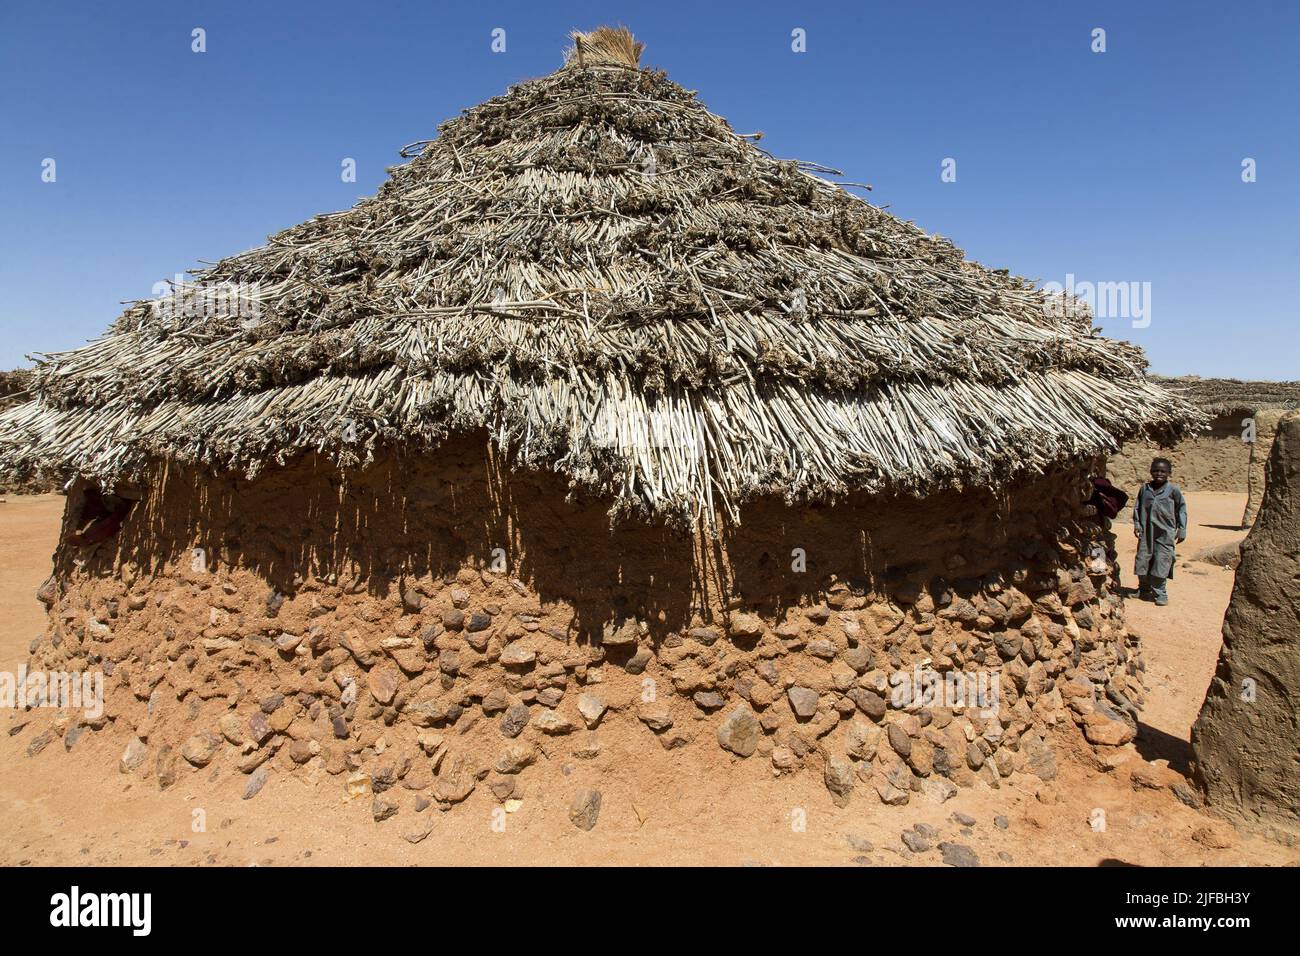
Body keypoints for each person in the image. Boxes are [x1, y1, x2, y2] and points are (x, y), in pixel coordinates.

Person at [1132, 457, 1187, 605]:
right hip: (1146, 532)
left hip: (1165, 532)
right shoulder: (1145, 489)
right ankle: (1143, 589)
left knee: (1162, 561)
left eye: (1163, 471)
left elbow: (1181, 509)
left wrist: (1182, 529)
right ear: (1150, 471)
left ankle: (1160, 593)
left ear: (1169, 473)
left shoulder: (1173, 490)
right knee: (1143, 559)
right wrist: (1137, 524)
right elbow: (1137, 507)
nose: (1159, 474)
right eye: (1156, 470)